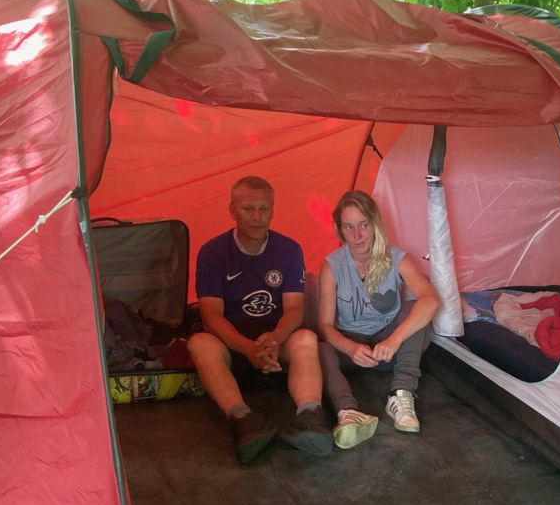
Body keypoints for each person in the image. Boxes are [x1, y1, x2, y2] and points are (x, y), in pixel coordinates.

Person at [188, 176, 333, 463]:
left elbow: (295, 309)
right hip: (234, 348)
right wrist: (247, 349)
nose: (257, 217)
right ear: (232, 211)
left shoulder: (289, 250)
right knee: (200, 343)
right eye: (248, 209)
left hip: (276, 346)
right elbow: (211, 316)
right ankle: (243, 420)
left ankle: (310, 417)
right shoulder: (212, 253)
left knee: (306, 337)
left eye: (264, 209)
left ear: (273, 211)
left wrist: (276, 339)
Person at [317, 190, 441, 449]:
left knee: (417, 309)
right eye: (349, 227)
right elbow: (325, 327)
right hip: (352, 351)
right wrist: (350, 347)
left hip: (387, 348)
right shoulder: (332, 266)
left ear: (374, 224)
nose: (358, 235)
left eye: (363, 225)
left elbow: (431, 300)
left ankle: (401, 395)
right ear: (340, 231)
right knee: (318, 347)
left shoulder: (396, 257)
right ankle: (348, 411)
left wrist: (394, 340)